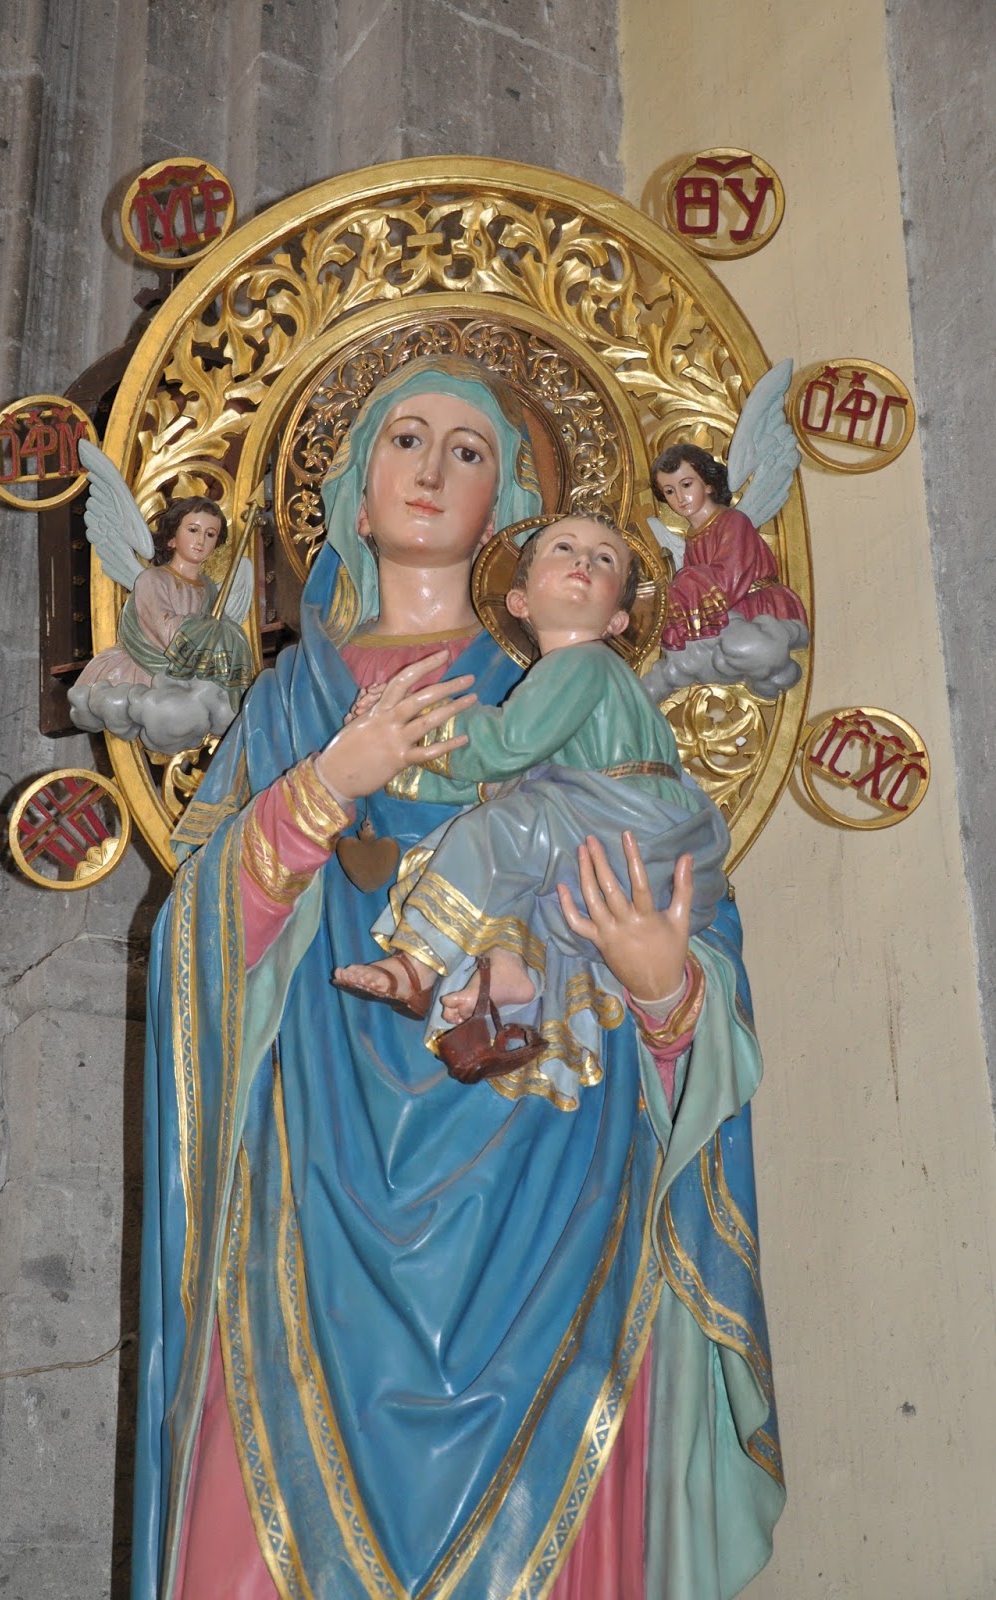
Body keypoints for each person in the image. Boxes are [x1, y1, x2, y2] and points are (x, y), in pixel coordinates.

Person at [132, 357, 784, 1600]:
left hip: (550, 1175)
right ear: (352, 497)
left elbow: (690, 921)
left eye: (471, 450)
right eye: (406, 441)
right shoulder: (289, 702)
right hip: (310, 1186)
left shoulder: (571, 687)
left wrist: (665, 987)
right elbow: (195, 948)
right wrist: (331, 778)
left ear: (514, 517)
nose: (434, 470)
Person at [333, 513, 731, 1103]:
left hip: (629, 822)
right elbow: (500, 777)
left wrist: (416, 720)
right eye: (565, 549)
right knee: (513, 848)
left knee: (492, 835)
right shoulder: (561, 685)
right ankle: (510, 972)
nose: (584, 563)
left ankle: (416, 966)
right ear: (519, 600)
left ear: (617, 618)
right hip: (625, 831)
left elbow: (506, 745)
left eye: (605, 561)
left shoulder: (584, 663)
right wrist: (400, 769)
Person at [73, 496, 251, 693]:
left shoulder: (208, 587)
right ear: (172, 538)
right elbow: (165, 631)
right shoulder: (152, 580)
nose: (201, 540)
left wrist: (226, 633)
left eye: (210, 534)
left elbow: (221, 629)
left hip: (191, 677)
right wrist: (209, 630)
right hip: (144, 672)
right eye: (193, 530)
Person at [651, 443, 808, 652]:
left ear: (708, 484)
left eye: (686, 485)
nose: (679, 497)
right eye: (669, 491)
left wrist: (684, 586)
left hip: (759, 607)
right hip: (728, 612)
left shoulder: (733, 522)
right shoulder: (693, 537)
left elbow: (729, 577)